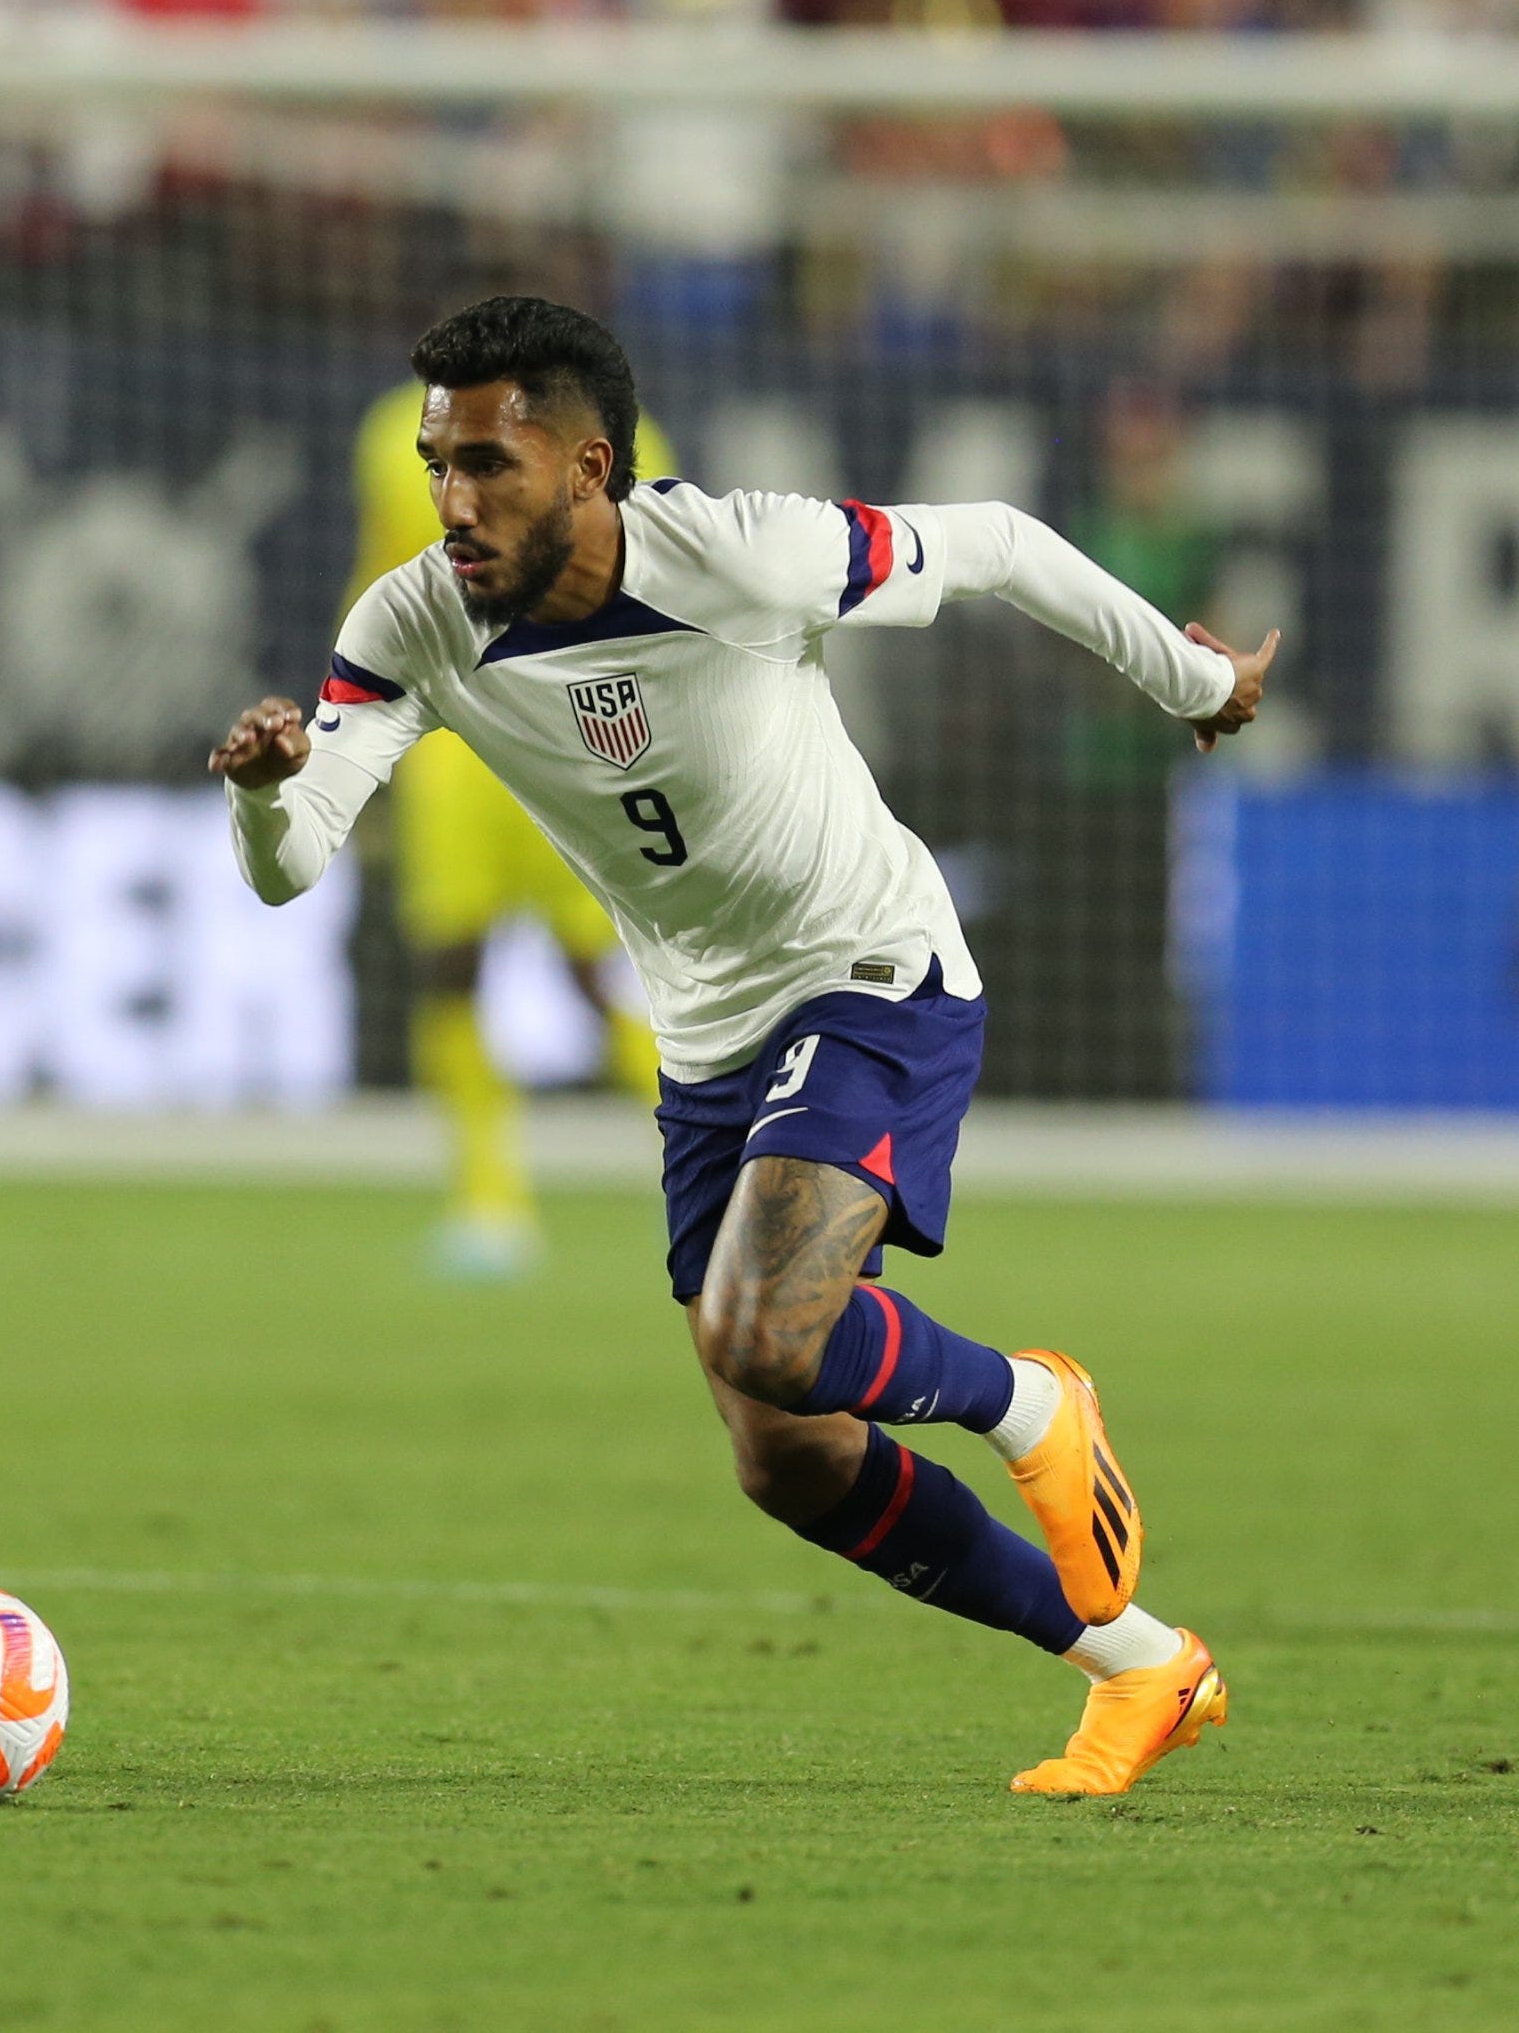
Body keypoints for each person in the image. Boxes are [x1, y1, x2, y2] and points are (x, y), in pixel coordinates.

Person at [211, 296, 1275, 1795]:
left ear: (587, 467)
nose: (451, 499)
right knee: (786, 1454)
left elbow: (996, 543)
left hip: (869, 970)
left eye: (488, 465)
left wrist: (1192, 679)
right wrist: (265, 790)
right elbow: (294, 861)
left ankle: (1030, 1400)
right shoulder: (411, 622)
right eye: (437, 462)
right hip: (706, 1036)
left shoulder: (742, 552)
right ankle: (1142, 1665)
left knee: (764, 1333)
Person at [346, 374, 669, 1276]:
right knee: (452, 963)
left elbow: (656, 575)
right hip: (451, 742)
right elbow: (380, 583)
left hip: (569, 732)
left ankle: (712, 1170)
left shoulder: (613, 428)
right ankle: (488, 1203)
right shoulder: (395, 429)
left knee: (594, 969)